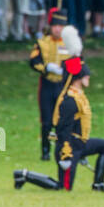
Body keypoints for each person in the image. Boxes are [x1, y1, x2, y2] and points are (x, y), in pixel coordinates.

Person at [14, 43, 104, 192]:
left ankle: (98, 184)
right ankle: (24, 175)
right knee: (63, 187)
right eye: (85, 74)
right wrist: (67, 153)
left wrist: (81, 150)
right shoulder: (70, 100)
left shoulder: (79, 96)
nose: (88, 77)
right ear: (78, 77)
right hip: (67, 147)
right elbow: (62, 129)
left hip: (79, 144)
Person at [27, 9, 70, 160]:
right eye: (55, 25)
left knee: (62, 121)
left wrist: (65, 70)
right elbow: (33, 61)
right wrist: (47, 68)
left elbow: (79, 64)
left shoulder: (71, 44)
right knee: (46, 122)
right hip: (47, 85)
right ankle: (45, 151)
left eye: (61, 26)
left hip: (63, 85)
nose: (57, 29)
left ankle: (61, 149)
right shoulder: (42, 43)